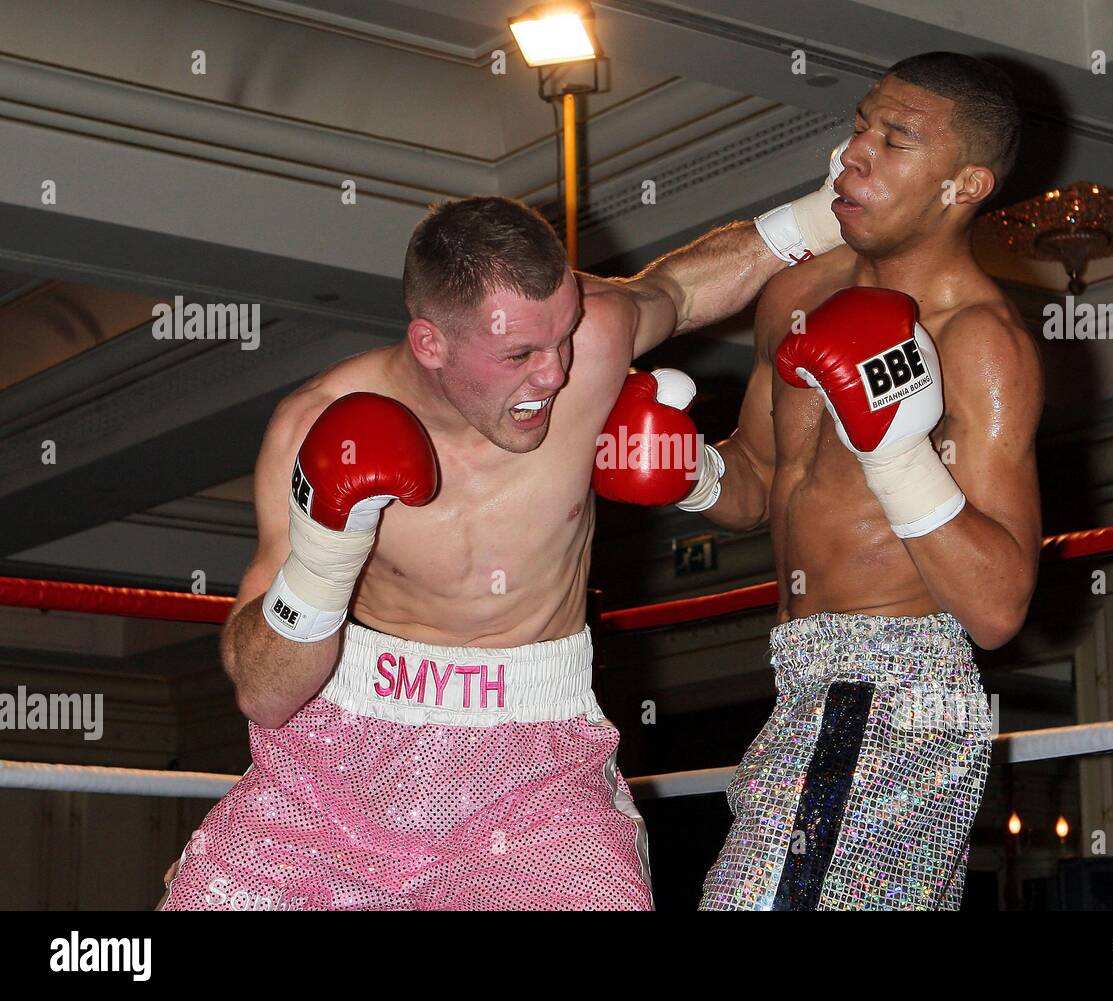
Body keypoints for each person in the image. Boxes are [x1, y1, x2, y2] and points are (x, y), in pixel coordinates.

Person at [158, 162, 847, 910]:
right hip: (336, 768)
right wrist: (325, 553)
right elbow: (264, 694)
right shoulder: (314, 425)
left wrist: (829, 210)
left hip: (538, 773)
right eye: (519, 355)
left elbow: (679, 289)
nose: (554, 374)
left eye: (560, 338)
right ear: (430, 343)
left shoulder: (593, 340)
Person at [677, 52, 1045, 910]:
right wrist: (688, 470)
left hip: (903, 693)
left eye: (896, 139)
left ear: (965, 185)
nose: (854, 155)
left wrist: (896, 453)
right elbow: (762, 478)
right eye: (858, 126)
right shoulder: (795, 295)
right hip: (803, 682)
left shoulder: (982, 343)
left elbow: (997, 608)